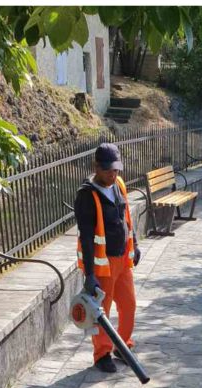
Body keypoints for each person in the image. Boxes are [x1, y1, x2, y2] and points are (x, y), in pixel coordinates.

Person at [74, 142, 142, 374]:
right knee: (102, 311)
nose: (112, 174)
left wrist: (135, 243)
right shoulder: (87, 196)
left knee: (129, 304)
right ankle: (102, 353)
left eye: (115, 170)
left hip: (122, 258)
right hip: (103, 265)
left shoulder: (118, 185)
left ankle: (122, 346)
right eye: (107, 170)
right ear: (96, 167)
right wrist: (90, 275)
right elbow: (85, 237)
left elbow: (126, 216)